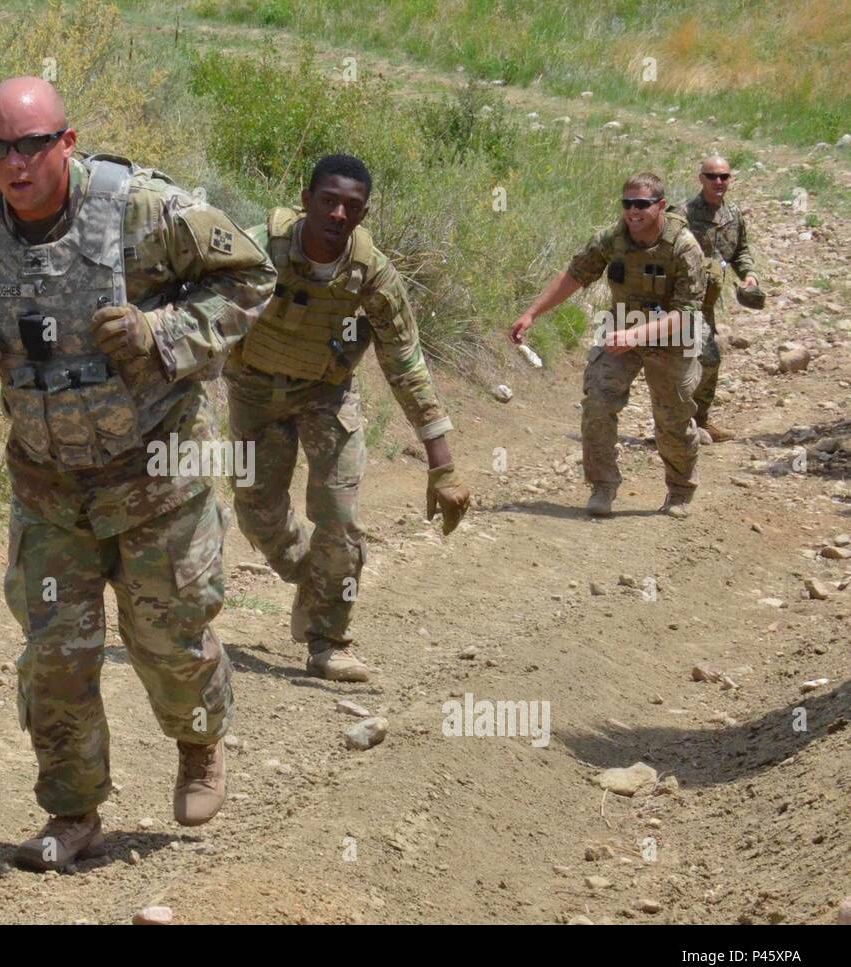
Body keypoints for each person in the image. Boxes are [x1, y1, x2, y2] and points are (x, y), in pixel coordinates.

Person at [0, 77, 276, 871]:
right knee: (56, 656)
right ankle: (73, 812)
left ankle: (199, 740)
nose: (16, 163)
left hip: (158, 477)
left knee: (167, 640)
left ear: (66, 143)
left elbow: (249, 279)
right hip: (49, 485)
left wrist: (161, 329)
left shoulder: (144, 212)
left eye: (33, 145)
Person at [225, 154, 470, 683]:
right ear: (307, 198)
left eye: (351, 207)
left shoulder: (372, 273)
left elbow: (406, 363)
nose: (338, 214)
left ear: (363, 213)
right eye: (328, 201)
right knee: (257, 513)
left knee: (339, 518)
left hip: (327, 395)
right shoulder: (257, 249)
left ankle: (327, 640)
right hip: (253, 391)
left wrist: (442, 462)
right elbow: (200, 313)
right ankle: (315, 581)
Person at [510, 172, 706, 519]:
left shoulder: (683, 247)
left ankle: (680, 489)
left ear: (660, 205)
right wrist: (532, 313)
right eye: (627, 204)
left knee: (672, 417)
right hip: (621, 331)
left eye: (642, 204)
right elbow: (575, 275)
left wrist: (637, 335)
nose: (633, 211)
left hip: (671, 338)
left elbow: (686, 315)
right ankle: (602, 485)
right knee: (597, 402)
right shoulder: (612, 238)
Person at [675, 156, 761, 442]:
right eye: (712, 176)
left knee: (707, 361)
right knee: (695, 361)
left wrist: (749, 276)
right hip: (681, 303)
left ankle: (697, 421)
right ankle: (676, 425)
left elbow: (740, 251)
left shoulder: (733, 215)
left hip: (707, 304)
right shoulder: (684, 214)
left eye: (724, 176)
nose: (718, 182)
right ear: (701, 178)